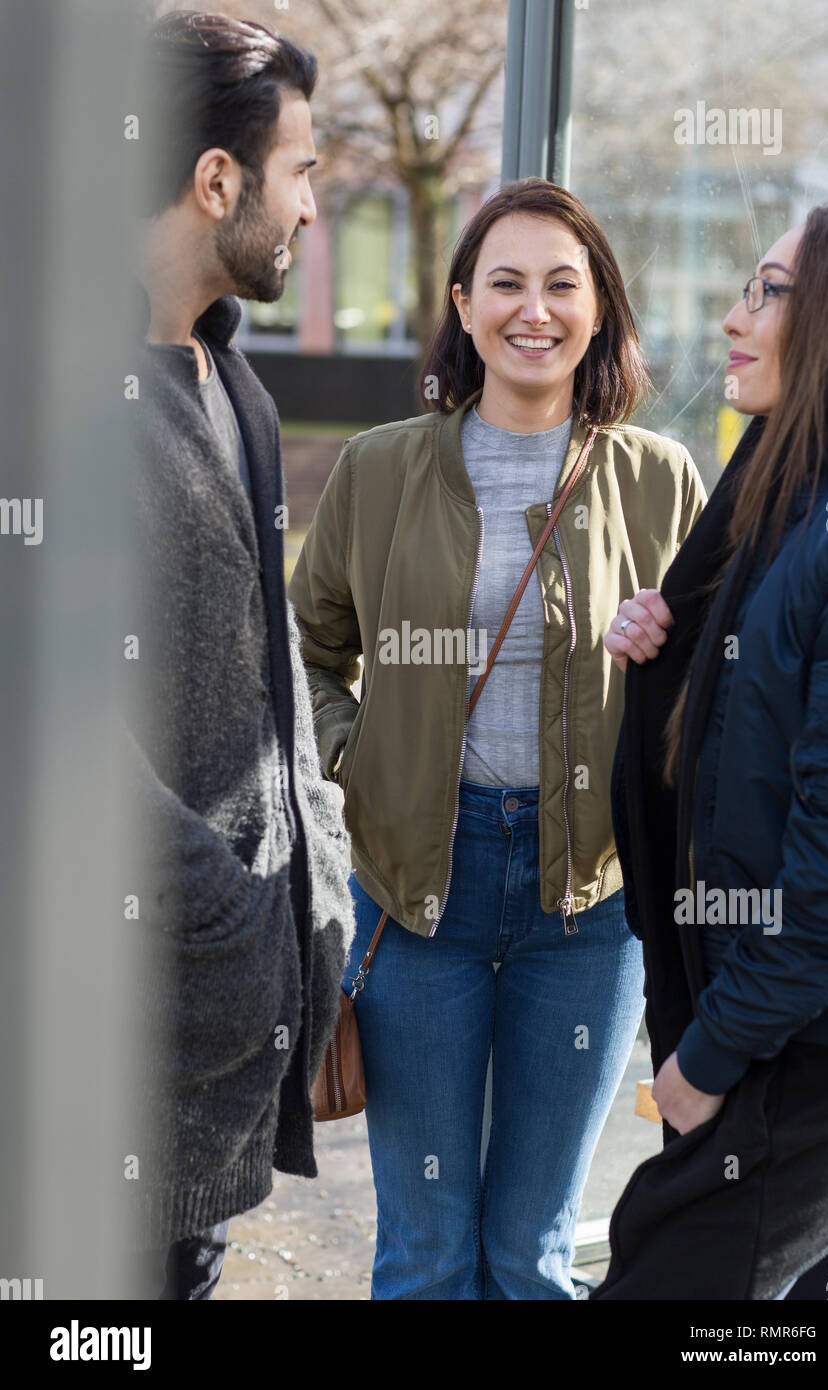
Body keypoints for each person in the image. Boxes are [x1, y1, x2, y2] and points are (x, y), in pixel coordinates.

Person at [288, 177, 707, 1299]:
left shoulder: (656, 478)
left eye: (561, 285)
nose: (535, 310)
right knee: (426, 1252)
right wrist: (352, 753)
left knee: (530, 1251)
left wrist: (666, 650)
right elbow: (303, 648)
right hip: (422, 890)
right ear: (463, 307)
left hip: (589, 903)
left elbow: (717, 684)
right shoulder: (379, 467)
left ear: (598, 310)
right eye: (506, 283)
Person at [596, 201, 828, 1300]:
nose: (728, 317)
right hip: (773, 1028)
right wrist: (665, 645)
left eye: (764, 290)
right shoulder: (783, 504)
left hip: (794, 1048)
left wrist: (705, 1062)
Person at [125, 12, 353, 1299]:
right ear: (218, 181)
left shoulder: (236, 388)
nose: (311, 207)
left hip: (214, 1087)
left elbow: (270, 679)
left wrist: (310, 882)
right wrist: (231, 921)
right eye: (302, 169)